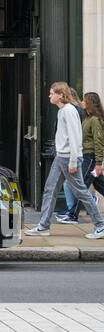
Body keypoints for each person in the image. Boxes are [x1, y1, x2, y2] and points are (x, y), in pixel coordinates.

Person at [26, 82, 104, 238]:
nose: (49, 95)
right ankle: (43, 226)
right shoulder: (62, 111)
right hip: (61, 157)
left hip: (69, 157)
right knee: (50, 189)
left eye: (51, 93)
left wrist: (74, 161)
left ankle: (100, 225)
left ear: (61, 95)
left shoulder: (68, 111)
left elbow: (76, 137)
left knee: (81, 192)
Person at [56, 91, 104, 224]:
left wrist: (99, 163)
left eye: (84, 100)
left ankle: (72, 214)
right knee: (99, 185)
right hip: (86, 155)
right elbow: (76, 103)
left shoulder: (94, 120)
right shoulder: (87, 118)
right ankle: (76, 209)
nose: (82, 102)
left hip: (90, 157)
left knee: (79, 186)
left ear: (90, 103)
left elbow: (99, 142)